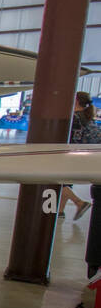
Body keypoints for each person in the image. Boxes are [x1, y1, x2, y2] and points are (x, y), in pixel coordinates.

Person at [60, 91, 98, 220]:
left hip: (73, 155)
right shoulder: (88, 118)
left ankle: (79, 203)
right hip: (86, 156)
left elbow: (70, 138)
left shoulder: (75, 118)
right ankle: (59, 212)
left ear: (76, 101)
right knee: (66, 183)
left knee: (58, 183)